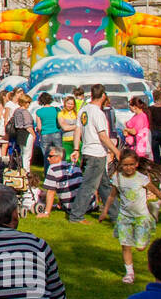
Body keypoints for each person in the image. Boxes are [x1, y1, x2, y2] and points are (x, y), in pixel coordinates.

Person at [102, 150, 161, 284]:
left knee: (140, 247)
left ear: (136, 164)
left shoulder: (142, 178)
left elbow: (156, 191)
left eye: (131, 164)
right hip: (124, 217)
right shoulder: (118, 179)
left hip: (141, 217)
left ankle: (150, 218)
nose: (128, 168)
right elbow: (112, 195)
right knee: (126, 245)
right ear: (120, 165)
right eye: (125, 165)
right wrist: (105, 211)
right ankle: (129, 273)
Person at [66, 84, 117, 223]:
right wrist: (116, 151)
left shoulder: (84, 110)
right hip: (96, 153)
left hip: (87, 151)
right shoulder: (97, 113)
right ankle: (76, 215)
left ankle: (115, 214)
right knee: (88, 186)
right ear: (103, 96)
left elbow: (78, 130)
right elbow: (103, 136)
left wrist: (76, 149)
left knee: (105, 186)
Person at [37, 143, 82, 218]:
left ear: (59, 157)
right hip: (86, 205)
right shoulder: (75, 166)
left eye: (50, 156)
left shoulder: (53, 169)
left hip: (72, 207)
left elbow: (51, 192)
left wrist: (46, 212)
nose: (48, 158)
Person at [34, 92, 62, 161]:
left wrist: (39, 133)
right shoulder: (56, 109)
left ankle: (47, 170)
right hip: (56, 133)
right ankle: (59, 169)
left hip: (45, 134)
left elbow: (39, 127)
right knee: (59, 154)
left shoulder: (39, 111)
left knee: (47, 156)